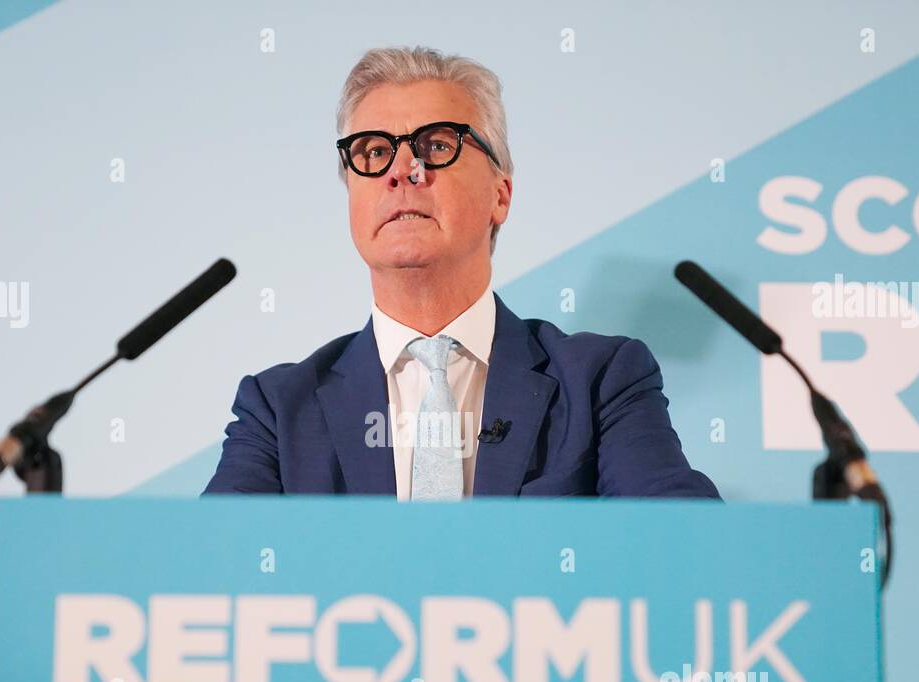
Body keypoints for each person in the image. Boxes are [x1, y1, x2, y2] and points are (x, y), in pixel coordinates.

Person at [205, 44, 717, 503]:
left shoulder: (599, 381)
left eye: (435, 145)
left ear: (500, 195)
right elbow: (208, 567)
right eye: (375, 151)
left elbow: (680, 542)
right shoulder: (277, 410)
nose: (402, 170)